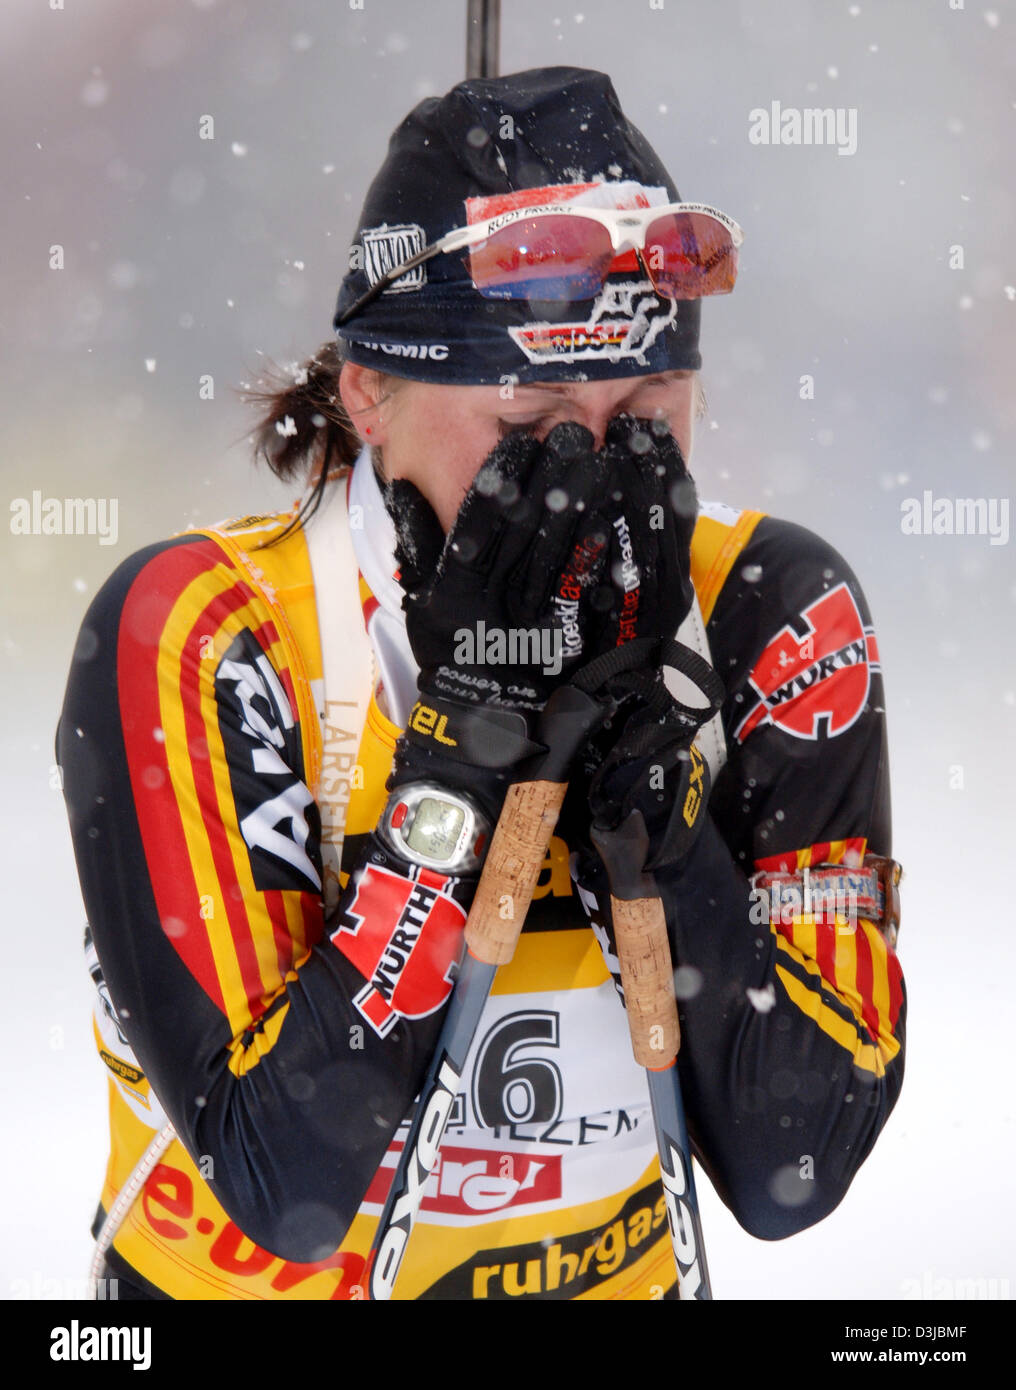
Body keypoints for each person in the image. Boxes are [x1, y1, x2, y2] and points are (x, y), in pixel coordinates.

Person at [59, 66, 905, 1302]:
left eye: (647, 420)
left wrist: (663, 831)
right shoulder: (200, 629)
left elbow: (798, 1160)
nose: (599, 485)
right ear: (367, 392)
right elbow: (284, 1179)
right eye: (531, 431)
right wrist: (455, 766)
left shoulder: (766, 612)